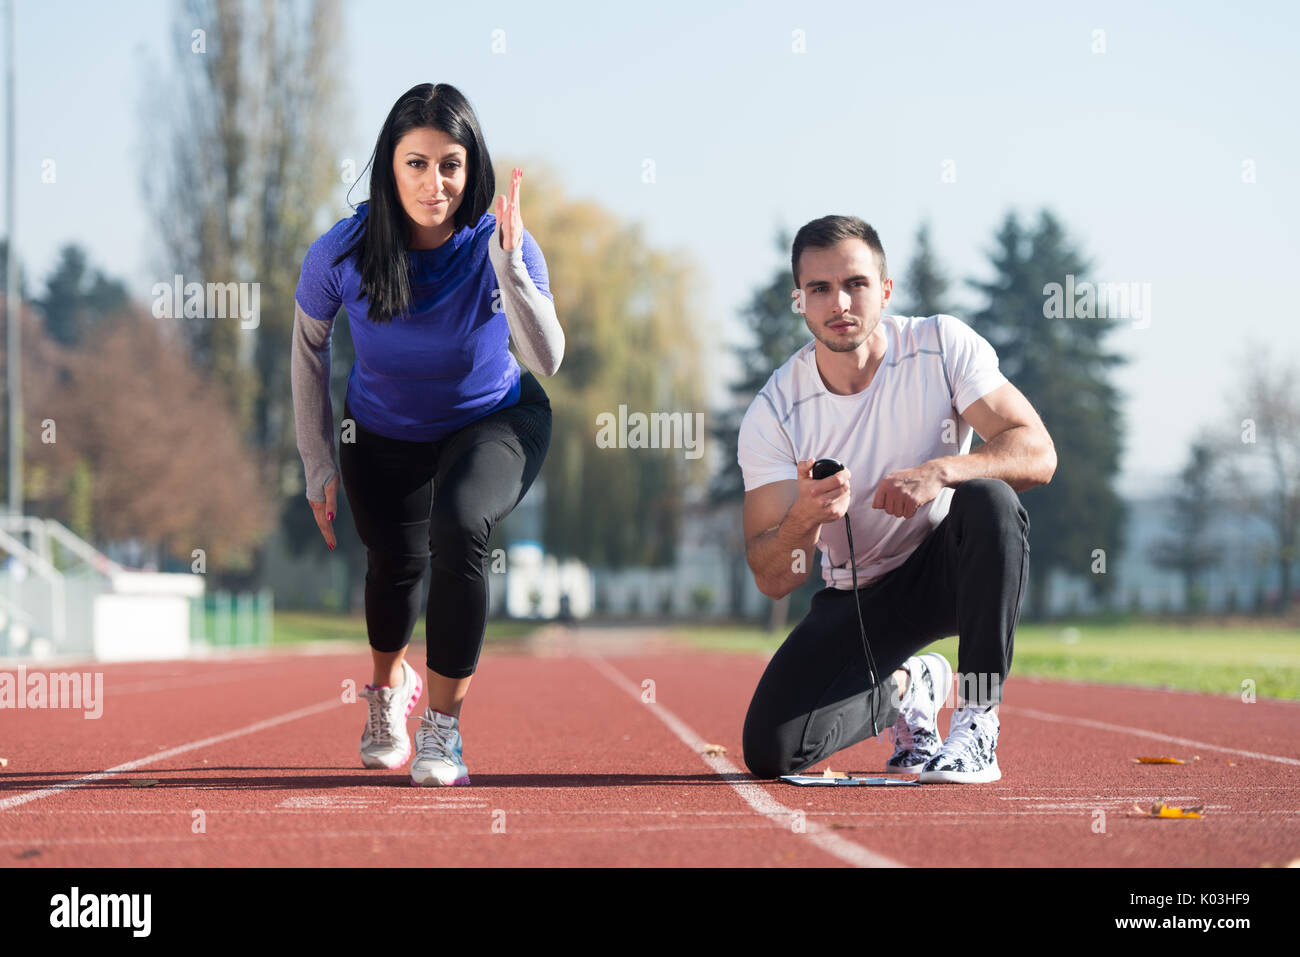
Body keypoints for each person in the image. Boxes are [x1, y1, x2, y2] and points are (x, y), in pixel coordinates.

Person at [291, 83, 563, 786]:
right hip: (381, 426)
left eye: (450, 163)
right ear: (390, 166)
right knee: (392, 565)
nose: (434, 182)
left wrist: (510, 270)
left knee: (460, 522)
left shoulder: (502, 242)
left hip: (494, 416)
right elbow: (308, 351)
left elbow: (547, 357)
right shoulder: (340, 252)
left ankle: (443, 731)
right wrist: (317, 463)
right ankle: (388, 692)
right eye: (416, 163)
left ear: (472, 168)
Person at [737, 215, 1055, 784]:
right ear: (800, 302)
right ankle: (912, 688)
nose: (840, 303)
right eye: (820, 289)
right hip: (859, 597)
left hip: (948, 570)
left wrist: (941, 470)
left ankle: (978, 722)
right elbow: (772, 576)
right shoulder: (775, 411)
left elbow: (1037, 453)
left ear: (884, 290)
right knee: (770, 752)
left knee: (990, 502)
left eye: (856, 284)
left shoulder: (940, 345)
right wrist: (805, 517)